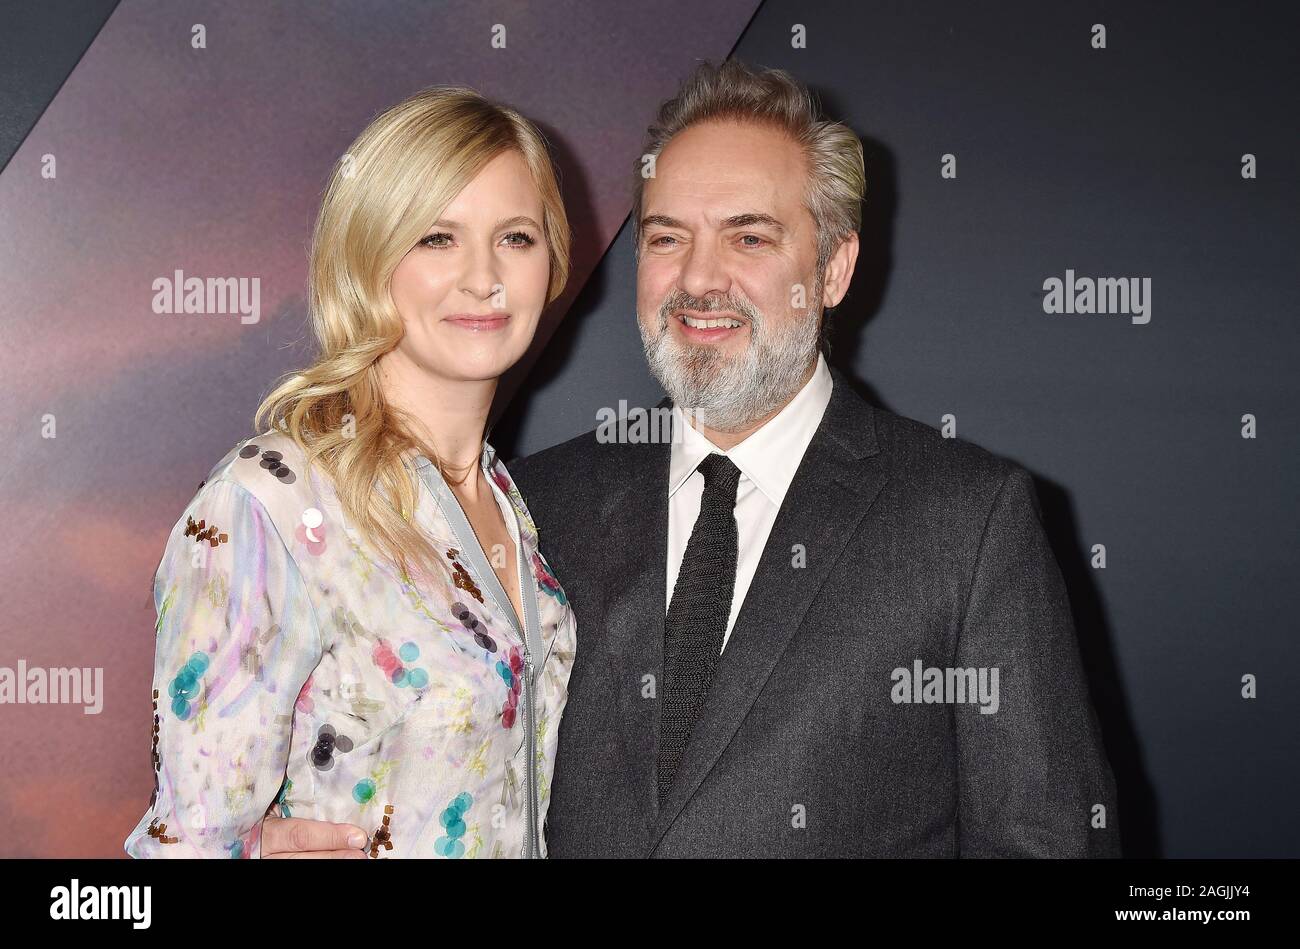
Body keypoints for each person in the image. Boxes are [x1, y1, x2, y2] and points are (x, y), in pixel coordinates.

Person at [263, 60, 1120, 859]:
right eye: (669, 237)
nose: (699, 279)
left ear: (833, 268)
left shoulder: (966, 523)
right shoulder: (528, 508)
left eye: (749, 239)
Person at [124, 85, 576, 859]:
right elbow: (182, 850)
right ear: (368, 260)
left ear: (552, 260)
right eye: (436, 238)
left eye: (516, 237)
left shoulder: (506, 501)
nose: (483, 276)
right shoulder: (270, 505)